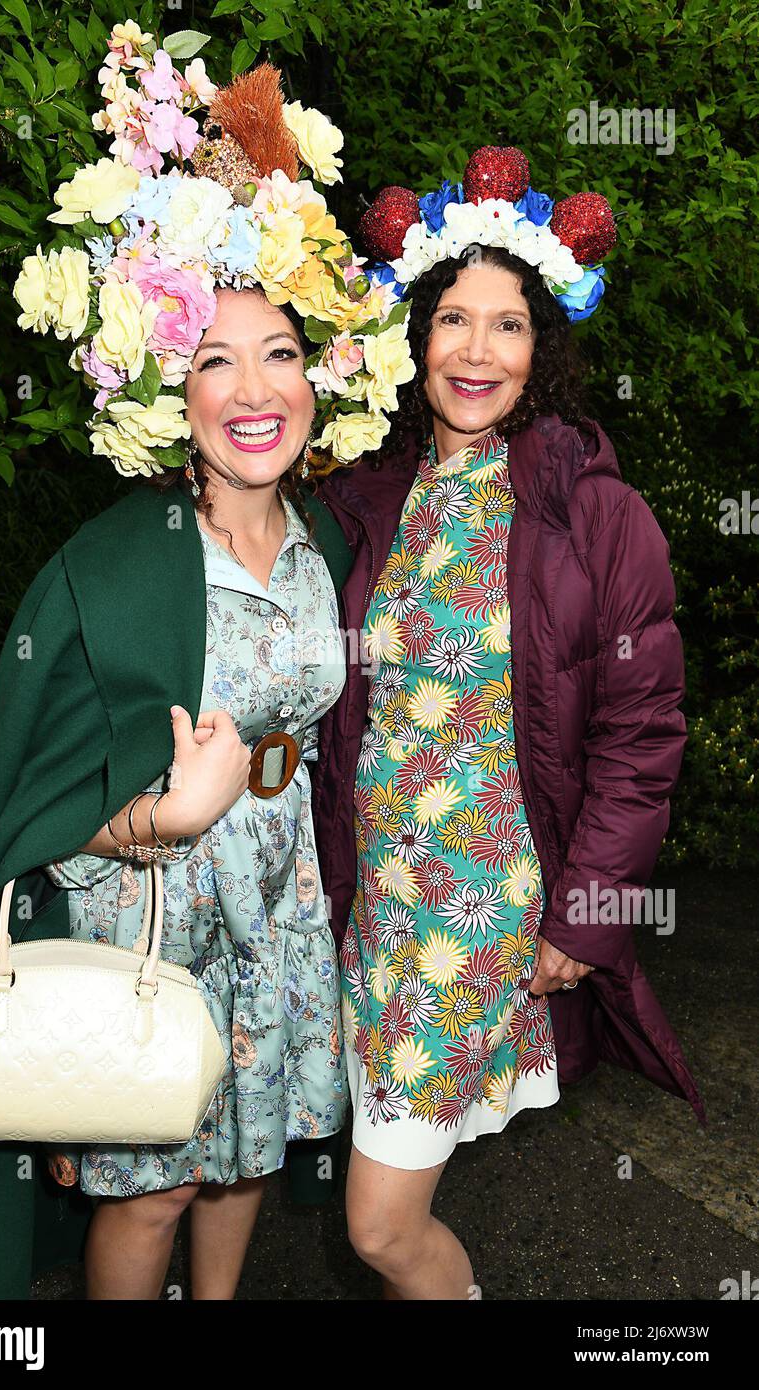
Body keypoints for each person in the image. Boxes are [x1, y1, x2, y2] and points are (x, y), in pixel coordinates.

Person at [0, 35, 403, 1300]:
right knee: (158, 1186)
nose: (255, 389)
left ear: (321, 375)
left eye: (283, 353)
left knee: (244, 1170)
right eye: (213, 358)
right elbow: (36, 806)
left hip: (280, 905)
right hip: (158, 916)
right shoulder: (118, 565)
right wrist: (158, 817)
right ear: (164, 390)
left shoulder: (328, 541)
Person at [312, 147, 706, 1300]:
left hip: (483, 917)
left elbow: (641, 740)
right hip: (368, 904)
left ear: (544, 348)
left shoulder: (595, 514)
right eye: (450, 321)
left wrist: (586, 917)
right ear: (413, 337)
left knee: (381, 1223)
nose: (475, 353)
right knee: (383, 1201)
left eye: (506, 326)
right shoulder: (364, 497)